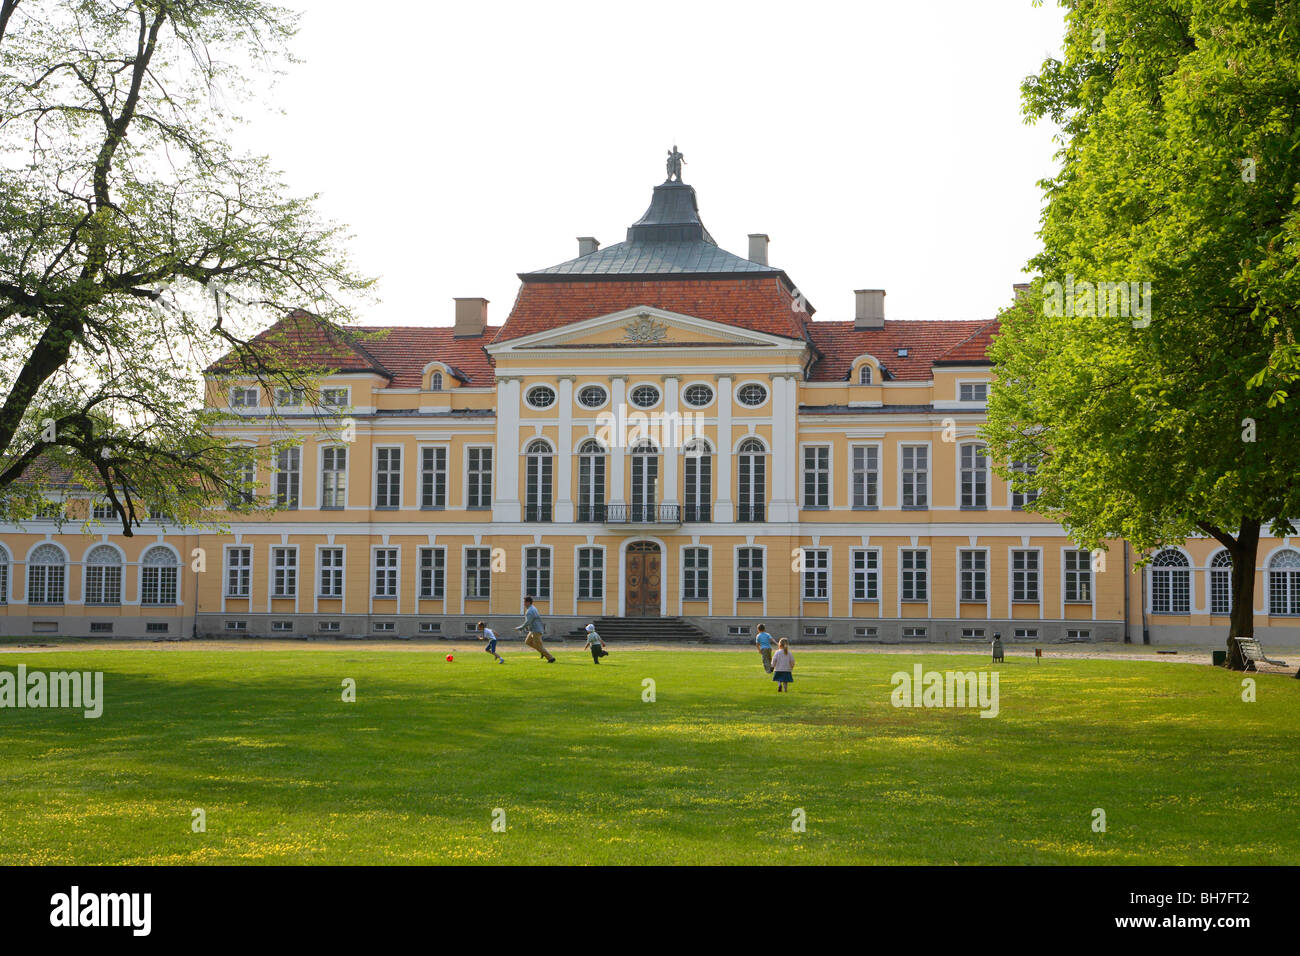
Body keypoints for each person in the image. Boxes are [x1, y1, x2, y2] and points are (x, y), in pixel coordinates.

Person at [515, 596, 555, 663]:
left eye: (524, 602)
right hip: (533, 630)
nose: (524, 604)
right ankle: (541, 651)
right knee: (527, 642)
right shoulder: (533, 608)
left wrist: (520, 628)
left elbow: (528, 622)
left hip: (536, 630)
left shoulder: (530, 611)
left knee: (539, 646)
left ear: (528, 602)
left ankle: (550, 658)